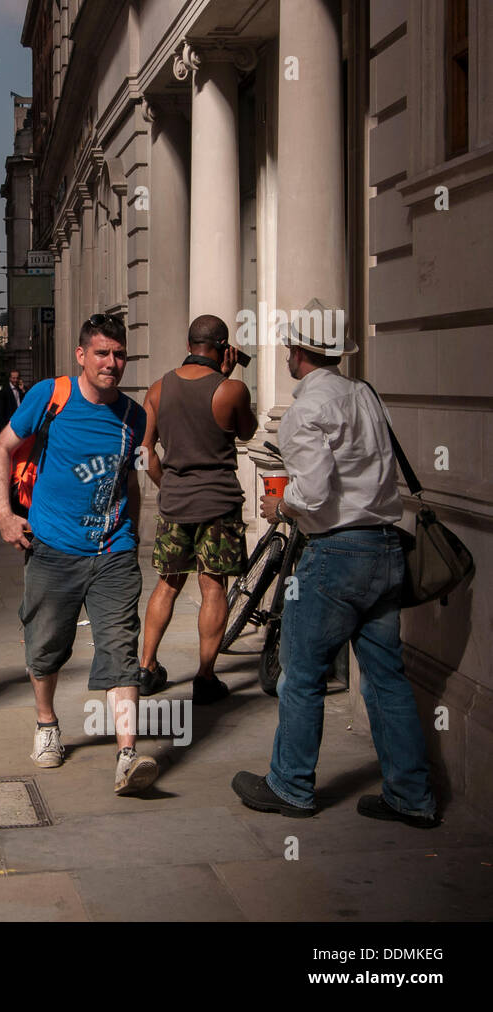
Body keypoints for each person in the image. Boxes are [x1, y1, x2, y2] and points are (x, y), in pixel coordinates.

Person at [232, 317, 439, 827]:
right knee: (386, 678)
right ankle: (411, 795)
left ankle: (291, 785)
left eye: (288, 348)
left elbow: (316, 492)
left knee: (301, 674)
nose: (285, 355)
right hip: (385, 546)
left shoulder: (307, 408)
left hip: (336, 553)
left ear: (300, 353)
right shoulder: (365, 395)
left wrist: (283, 506)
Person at [0, 314, 158, 795]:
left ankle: (127, 754)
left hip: (114, 551)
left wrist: (134, 533)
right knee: (44, 646)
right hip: (52, 548)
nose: (112, 362)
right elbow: (3, 449)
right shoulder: (50, 395)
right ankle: (47, 724)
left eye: (119, 354)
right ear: (82, 355)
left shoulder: (134, 415)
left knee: (120, 648)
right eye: (102, 353)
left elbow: (128, 478)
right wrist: (5, 513)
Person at [138, 314, 258, 704]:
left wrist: (167, 485)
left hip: (174, 504)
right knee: (213, 586)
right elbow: (247, 431)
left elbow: (145, 454)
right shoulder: (231, 390)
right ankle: (205, 677)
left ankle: (146, 667)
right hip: (218, 504)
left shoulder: (157, 389)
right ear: (223, 348)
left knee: (168, 583)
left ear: (189, 345)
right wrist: (230, 376)